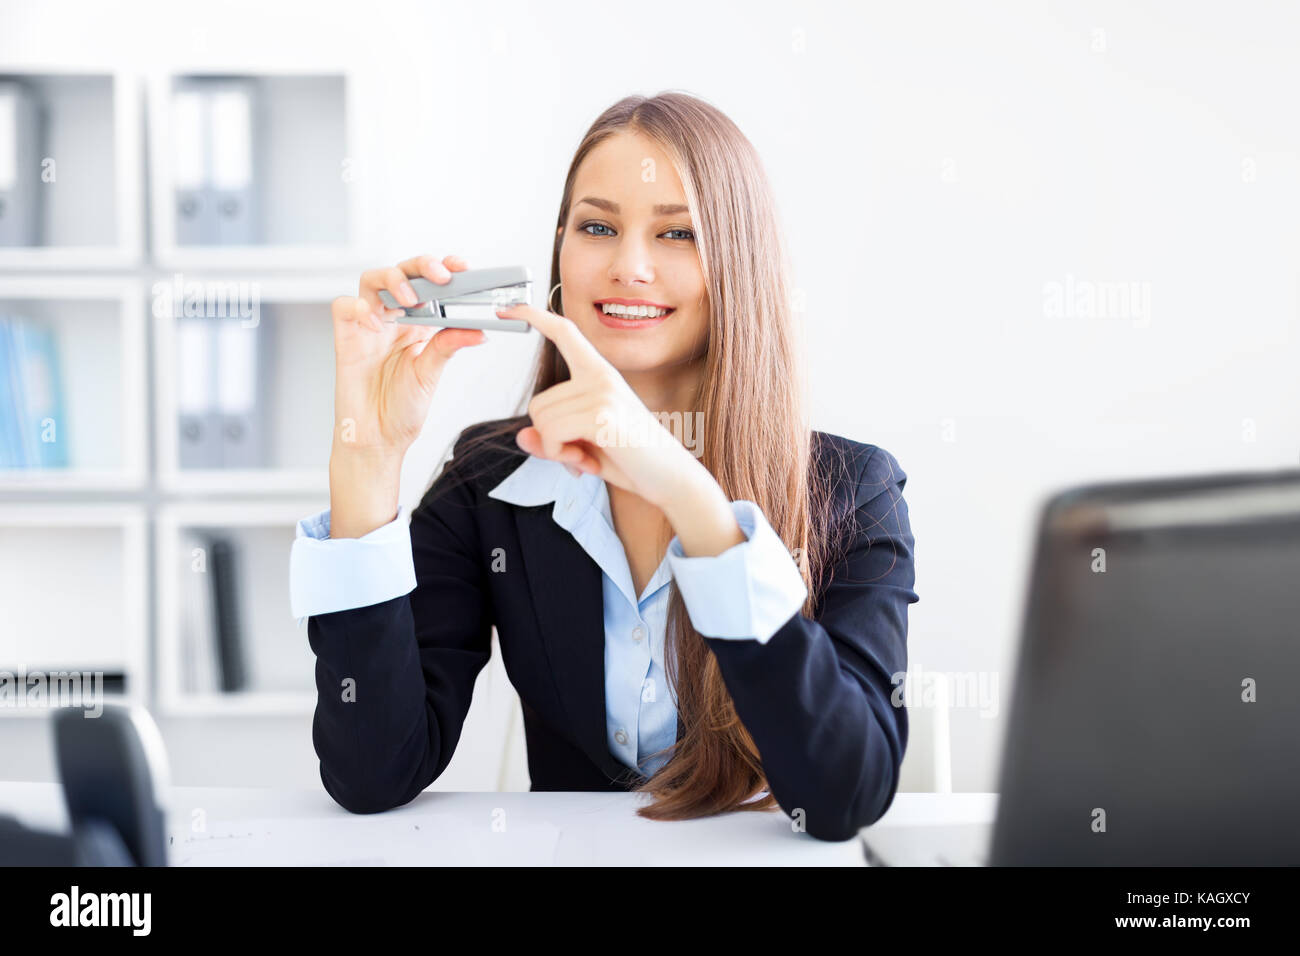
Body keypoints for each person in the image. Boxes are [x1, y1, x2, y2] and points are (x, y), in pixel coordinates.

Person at [289, 90, 919, 842]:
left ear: (740, 263)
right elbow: (371, 774)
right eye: (597, 227)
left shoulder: (854, 491)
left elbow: (844, 796)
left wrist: (691, 498)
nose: (630, 267)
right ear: (561, 251)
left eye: (678, 233)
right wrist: (369, 454)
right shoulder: (488, 482)